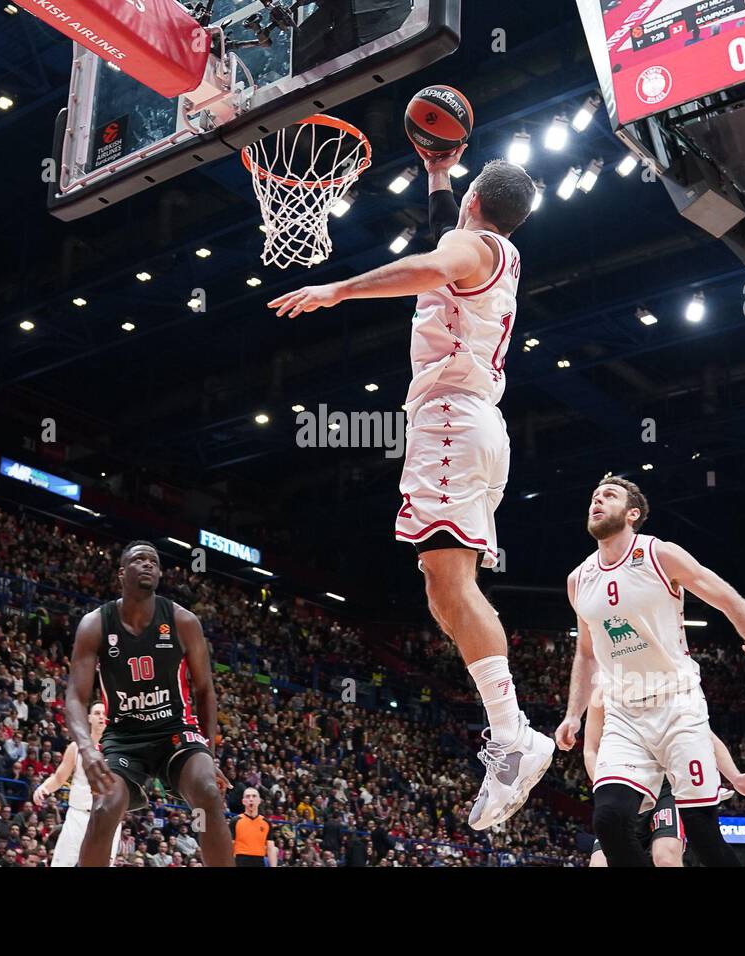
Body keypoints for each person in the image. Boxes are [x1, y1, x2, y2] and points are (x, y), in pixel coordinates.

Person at [268, 148, 554, 831]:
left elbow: (430, 264)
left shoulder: (469, 248)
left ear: (475, 203)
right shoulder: (493, 249)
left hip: (451, 422)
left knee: (450, 585)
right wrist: (438, 172)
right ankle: (510, 732)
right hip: (471, 423)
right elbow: (445, 240)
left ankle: (514, 735)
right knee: (441, 584)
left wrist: (338, 290)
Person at [556, 476, 745, 867]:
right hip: (623, 713)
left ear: (632, 513)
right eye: (594, 496)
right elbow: (585, 653)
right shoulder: (578, 579)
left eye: (609, 495)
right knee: (609, 819)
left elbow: (730, 602)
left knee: (703, 833)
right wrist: (573, 714)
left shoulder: (660, 554)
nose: (597, 500)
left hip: (676, 704)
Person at [64, 541, 232, 866]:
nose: (148, 564)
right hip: (124, 737)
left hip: (175, 730)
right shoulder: (95, 624)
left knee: (208, 792)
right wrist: (86, 748)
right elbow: (75, 696)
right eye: (139, 559)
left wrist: (209, 753)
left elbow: (205, 691)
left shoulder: (183, 621)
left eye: (153, 561)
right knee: (104, 808)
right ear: (121, 573)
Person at [582, 698, 745, 867]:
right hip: (625, 781)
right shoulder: (603, 689)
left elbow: (704, 734)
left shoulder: (669, 685)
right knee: (599, 863)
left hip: (667, 784)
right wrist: (607, 789)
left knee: (666, 857)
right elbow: (591, 750)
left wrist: (734, 776)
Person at [34, 701, 121, 867]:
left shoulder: (119, 750)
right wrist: (44, 787)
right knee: (61, 864)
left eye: (104, 714)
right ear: (89, 718)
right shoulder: (76, 747)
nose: (101, 717)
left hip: (107, 818)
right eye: (97, 713)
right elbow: (59, 778)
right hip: (78, 815)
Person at [231, 787, 278, 867]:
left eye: (254, 796)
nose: (251, 799)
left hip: (259, 861)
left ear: (259, 801)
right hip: (240, 861)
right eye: (248, 796)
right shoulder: (235, 821)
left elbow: (270, 849)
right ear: (243, 801)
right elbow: (230, 847)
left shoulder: (266, 823)